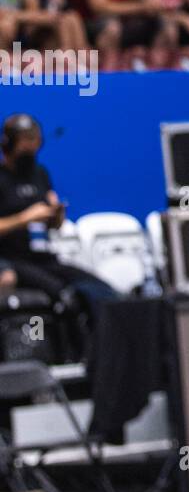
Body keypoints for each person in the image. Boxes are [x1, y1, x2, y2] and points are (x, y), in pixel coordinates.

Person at [0, 114, 116, 349]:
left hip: (45, 257)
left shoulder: (40, 174)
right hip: (13, 261)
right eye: (25, 143)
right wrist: (25, 218)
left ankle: (107, 356)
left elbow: (55, 226)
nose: (30, 149)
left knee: (101, 291)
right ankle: (73, 355)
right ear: (9, 145)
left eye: (35, 142)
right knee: (66, 296)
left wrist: (55, 215)